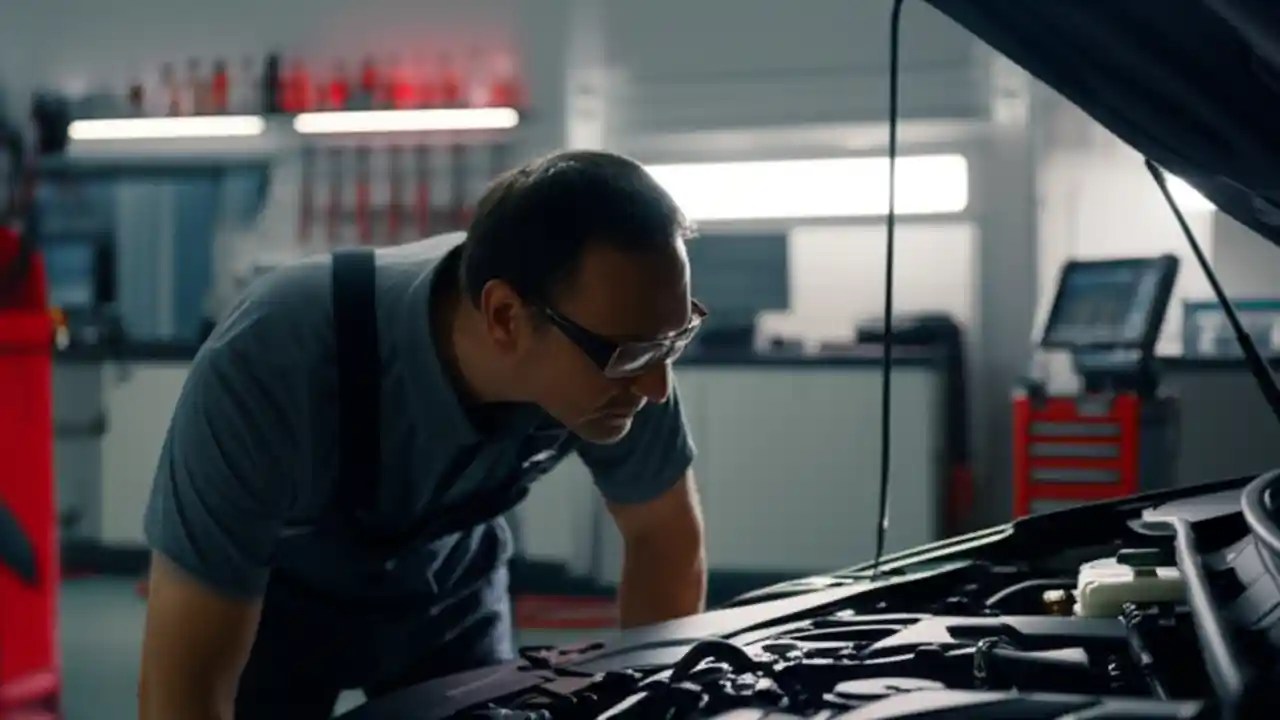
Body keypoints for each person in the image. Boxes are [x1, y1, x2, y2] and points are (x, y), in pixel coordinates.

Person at [138, 150, 708, 719]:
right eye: (634, 353)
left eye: (672, 342)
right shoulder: (272, 358)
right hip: (271, 604)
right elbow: (183, 688)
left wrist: (652, 708)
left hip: (448, 591)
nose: (657, 386)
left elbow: (663, 536)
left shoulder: (626, 339)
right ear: (506, 317)